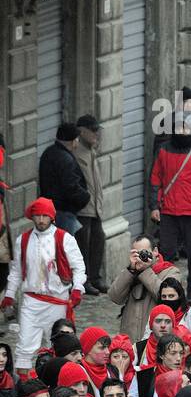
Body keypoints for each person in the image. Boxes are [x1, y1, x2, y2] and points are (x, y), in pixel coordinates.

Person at [2, 198, 86, 373]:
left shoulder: (65, 239)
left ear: (52, 217)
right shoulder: (22, 240)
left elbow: (78, 267)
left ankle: (55, 380)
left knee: (57, 344)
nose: (41, 220)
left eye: (44, 216)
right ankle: (23, 387)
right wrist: (9, 294)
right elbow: (16, 270)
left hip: (57, 301)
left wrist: (78, 288)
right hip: (31, 301)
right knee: (24, 346)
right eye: (37, 216)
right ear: (32, 217)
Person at [149, 111, 191, 299]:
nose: (182, 131)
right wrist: (154, 206)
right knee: (167, 252)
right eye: (179, 127)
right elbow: (155, 178)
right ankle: (168, 289)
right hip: (169, 212)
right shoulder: (163, 150)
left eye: (186, 127)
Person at [106, 235, 186, 343]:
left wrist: (144, 271)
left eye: (144, 252)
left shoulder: (171, 272)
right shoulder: (131, 271)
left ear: (155, 251)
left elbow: (164, 297)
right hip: (131, 340)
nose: (141, 257)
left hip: (155, 341)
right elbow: (114, 296)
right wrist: (130, 271)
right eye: (138, 254)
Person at [69, 115, 107, 294]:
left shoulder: (92, 150)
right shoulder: (76, 151)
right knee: (83, 245)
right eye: (92, 130)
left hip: (95, 207)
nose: (96, 134)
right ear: (81, 131)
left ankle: (95, 277)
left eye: (97, 130)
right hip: (83, 208)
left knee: (98, 240)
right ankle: (84, 280)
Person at [37, 122, 91, 234]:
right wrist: (85, 197)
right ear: (73, 141)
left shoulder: (48, 152)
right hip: (64, 212)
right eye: (77, 139)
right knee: (63, 246)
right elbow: (71, 187)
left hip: (49, 210)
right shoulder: (66, 159)